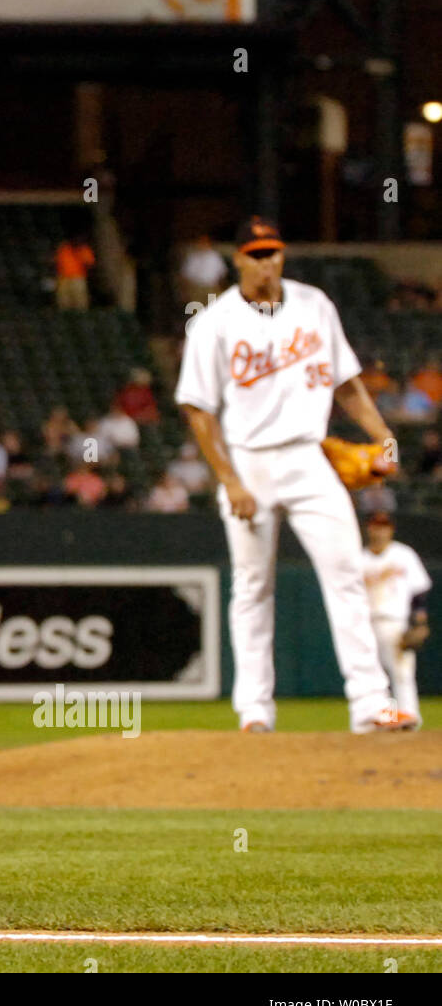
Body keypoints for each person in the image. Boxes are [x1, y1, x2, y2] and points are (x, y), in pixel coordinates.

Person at [176, 216, 407, 733]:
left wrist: (381, 434)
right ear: (238, 258)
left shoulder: (315, 305)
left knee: (346, 575)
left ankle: (370, 704)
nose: (266, 262)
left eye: (273, 251)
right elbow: (198, 410)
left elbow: (347, 384)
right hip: (248, 461)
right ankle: (255, 710)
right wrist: (230, 481)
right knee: (253, 586)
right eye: (256, 253)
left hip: (309, 456)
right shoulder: (214, 322)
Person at [361, 512, 429, 730]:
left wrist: (419, 621)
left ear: (391, 530)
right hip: (365, 625)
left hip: (394, 623)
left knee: (401, 673)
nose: (379, 531)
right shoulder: (360, 559)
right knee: (377, 679)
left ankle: (409, 718)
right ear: (368, 529)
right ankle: (389, 719)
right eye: (375, 526)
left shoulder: (403, 555)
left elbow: (419, 592)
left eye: (384, 526)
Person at [54, 235, 95, 310]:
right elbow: (57, 261)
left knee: (80, 299)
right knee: (63, 299)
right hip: (63, 277)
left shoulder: (84, 249)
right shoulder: (64, 248)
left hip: (78, 277)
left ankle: (81, 315)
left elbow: (89, 264)